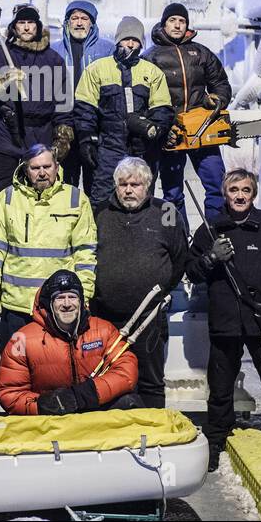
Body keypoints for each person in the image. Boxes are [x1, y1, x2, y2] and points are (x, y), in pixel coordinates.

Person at [187, 168, 261, 472]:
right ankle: (216, 440)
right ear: (224, 193)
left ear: (254, 194)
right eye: (233, 190)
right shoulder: (211, 227)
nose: (239, 196)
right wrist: (210, 258)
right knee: (221, 385)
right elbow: (191, 270)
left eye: (245, 190)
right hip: (225, 321)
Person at [0, 144, 98, 353]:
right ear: (25, 170)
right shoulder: (6, 199)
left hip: (59, 306)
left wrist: (84, 295)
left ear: (57, 166)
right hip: (15, 307)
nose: (42, 173)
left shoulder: (76, 200)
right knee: (15, 373)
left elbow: (85, 254)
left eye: (47, 166)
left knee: (54, 372)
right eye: (35, 168)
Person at [92, 157, 189, 409]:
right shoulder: (100, 213)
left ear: (147, 185)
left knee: (151, 381)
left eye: (135, 184)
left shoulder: (166, 212)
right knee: (109, 378)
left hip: (149, 316)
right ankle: (114, 433)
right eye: (123, 184)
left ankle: (153, 435)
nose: (128, 190)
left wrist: (162, 287)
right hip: (106, 316)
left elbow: (180, 258)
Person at [0, 270, 141, 415]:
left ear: (81, 301)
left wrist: (84, 395)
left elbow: (126, 371)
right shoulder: (22, 339)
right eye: (60, 298)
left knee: (130, 402)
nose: (67, 304)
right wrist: (42, 405)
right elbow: (10, 393)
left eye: (72, 297)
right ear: (49, 304)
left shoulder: (104, 330)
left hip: (95, 409)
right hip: (50, 420)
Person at [145, 3, 232, 230]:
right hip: (171, 132)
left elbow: (220, 83)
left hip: (202, 127)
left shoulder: (201, 53)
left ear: (187, 25)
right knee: (171, 192)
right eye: (172, 20)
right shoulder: (151, 57)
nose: (177, 25)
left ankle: (214, 233)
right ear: (164, 24)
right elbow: (144, 96)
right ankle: (177, 238)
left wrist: (216, 100)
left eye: (181, 21)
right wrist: (162, 125)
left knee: (216, 183)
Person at [71, 16, 174, 210]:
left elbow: (162, 109)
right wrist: (87, 139)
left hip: (141, 147)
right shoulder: (97, 69)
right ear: (118, 40)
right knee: (102, 197)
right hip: (107, 146)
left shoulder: (152, 72)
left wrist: (152, 129)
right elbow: (85, 108)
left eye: (135, 40)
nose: (130, 44)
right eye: (127, 39)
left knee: (140, 196)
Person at [0, 4, 67, 204]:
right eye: (22, 23)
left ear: (38, 27)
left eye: (31, 22)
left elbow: (63, 102)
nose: (27, 27)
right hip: (6, 132)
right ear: (14, 27)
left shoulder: (52, 59)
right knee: (2, 192)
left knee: (39, 193)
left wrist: (62, 136)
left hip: (41, 133)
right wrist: (2, 82)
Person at [50, 0, 113, 188]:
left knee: (94, 179)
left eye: (84, 18)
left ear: (92, 23)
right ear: (67, 22)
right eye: (74, 18)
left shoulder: (106, 49)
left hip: (95, 123)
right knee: (66, 180)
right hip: (63, 122)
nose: (79, 23)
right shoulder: (54, 49)